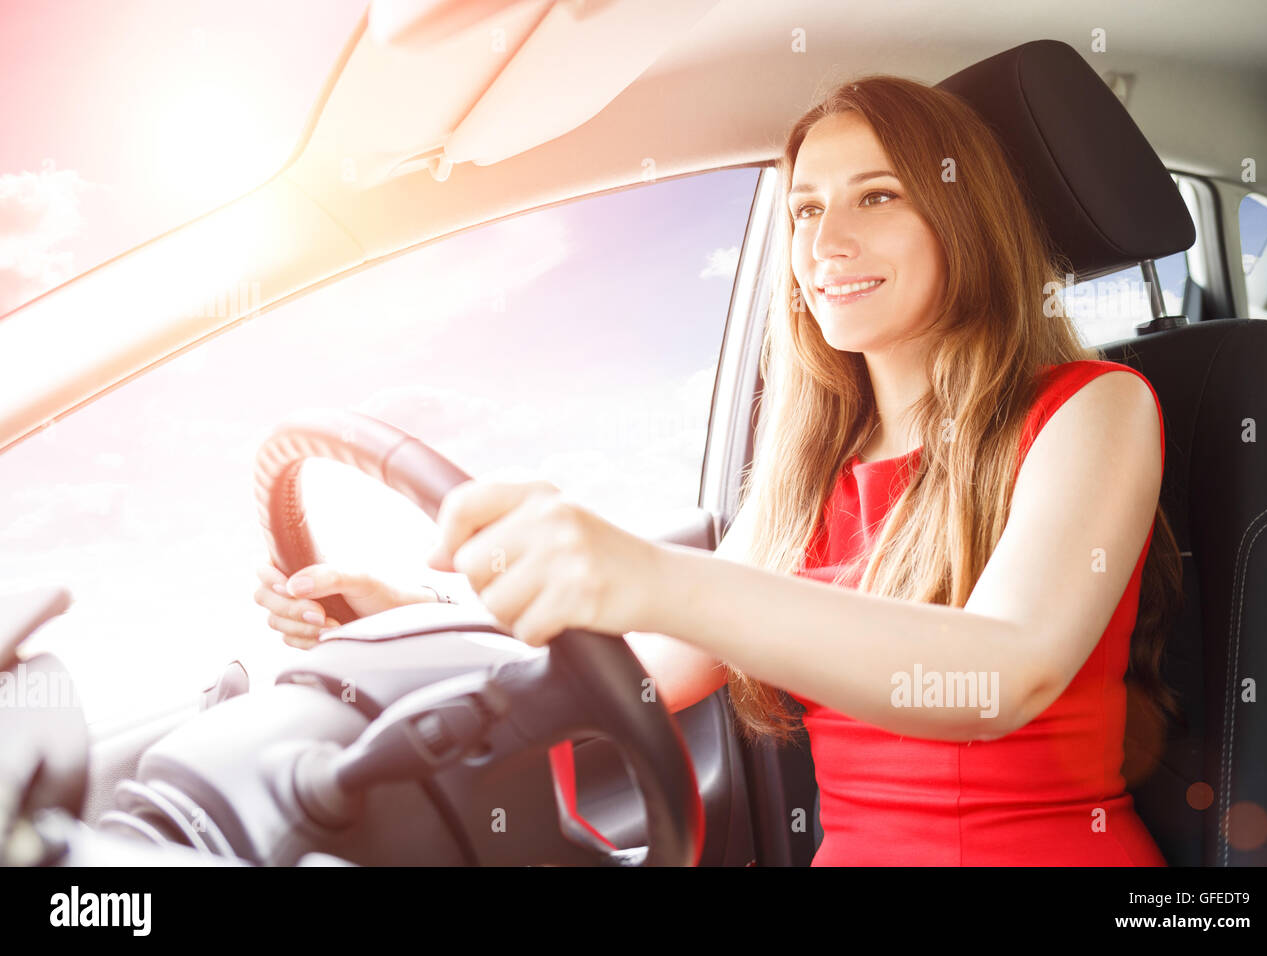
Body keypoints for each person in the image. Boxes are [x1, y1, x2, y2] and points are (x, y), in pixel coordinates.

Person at [255, 74, 1183, 866]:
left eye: (877, 196)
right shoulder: (811, 479)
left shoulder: (1093, 408)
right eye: (806, 210)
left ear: (962, 214)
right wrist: (411, 622)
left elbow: (1000, 676)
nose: (826, 245)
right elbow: (633, 679)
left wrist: (655, 577)